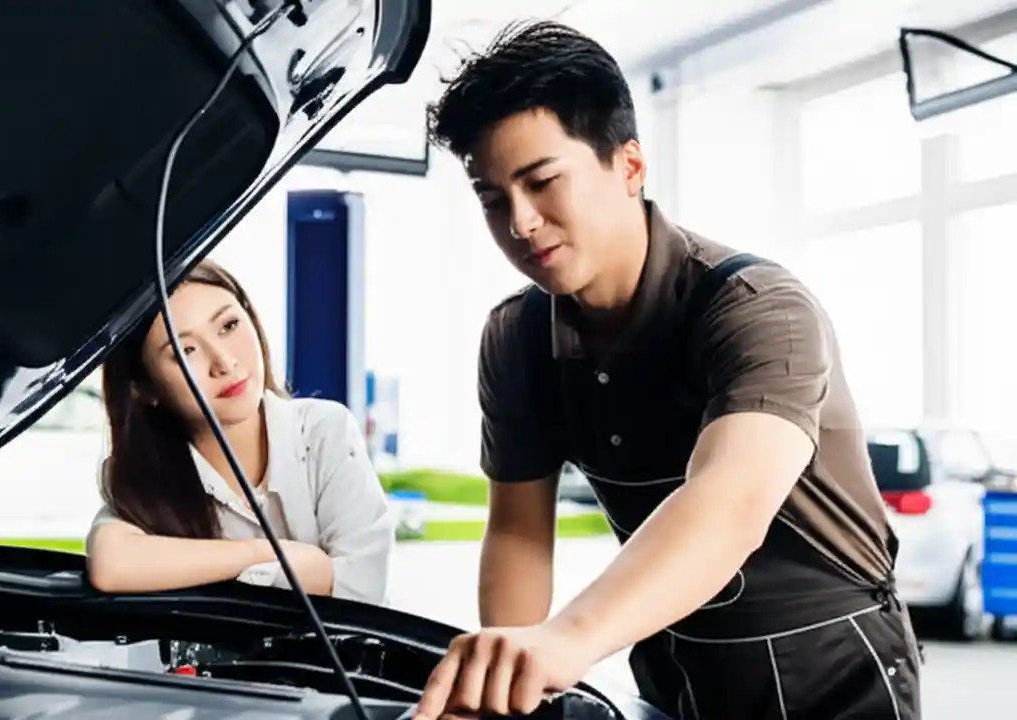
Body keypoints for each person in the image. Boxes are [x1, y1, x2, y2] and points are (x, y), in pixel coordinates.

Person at [411, 20, 921, 720]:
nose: (521, 223)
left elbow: (729, 504)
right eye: (493, 199)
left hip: (830, 671)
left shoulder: (757, 307)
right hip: (674, 662)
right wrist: (508, 677)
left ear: (629, 166)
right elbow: (519, 535)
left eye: (542, 182)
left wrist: (569, 639)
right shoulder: (516, 336)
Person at [85, 260, 394, 606]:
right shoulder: (144, 477)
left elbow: (361, 590)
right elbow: (112, 564)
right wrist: (266, 554)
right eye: (186, 351)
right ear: (144, 388)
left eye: (228, 325)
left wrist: (201, 567)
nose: (224, 362)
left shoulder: (324, 431)